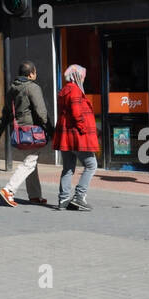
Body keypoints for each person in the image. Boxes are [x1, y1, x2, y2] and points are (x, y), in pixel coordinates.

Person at [0, 61, 50, 207]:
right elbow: (41, 112)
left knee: (31, 161)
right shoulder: (33, 87)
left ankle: (35, 195)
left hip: (19, 132)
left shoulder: (12, 89)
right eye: (35, 72)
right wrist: (51, 130)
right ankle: (9, 190)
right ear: (31, 74)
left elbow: (5, 113)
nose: (36, 74)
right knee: (30, 162)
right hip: (32, 132)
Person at [53, 64, 99, 211]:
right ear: (77, 76)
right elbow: (76, 112)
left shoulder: (64, 90)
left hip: (65, 136)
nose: (84, 78)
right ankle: (79, 196)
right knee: (91, 165)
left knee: (68, 168)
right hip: (76, 136)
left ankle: (63, 199)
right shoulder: (75, 90)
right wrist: (83, 128)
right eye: (82, 75)